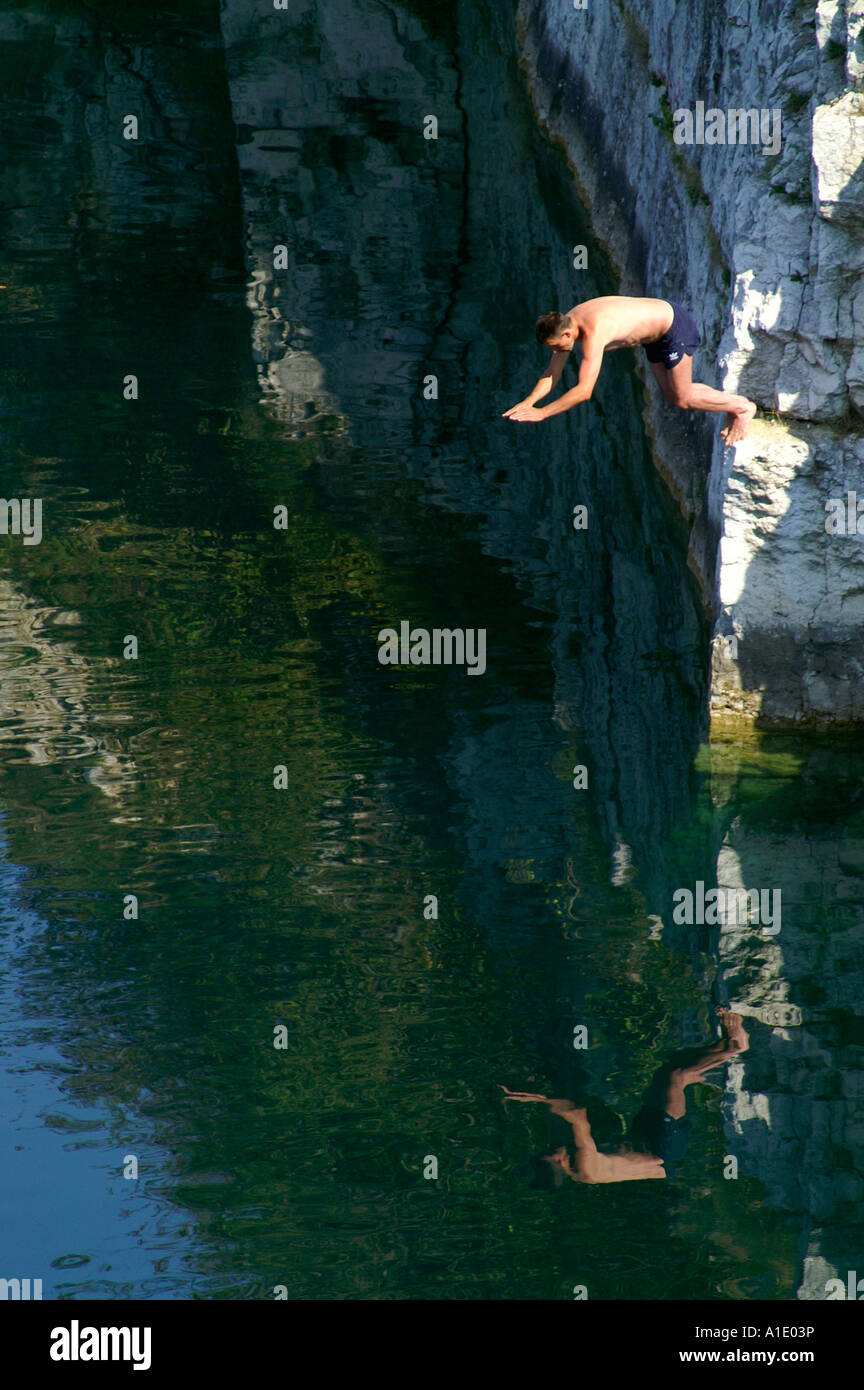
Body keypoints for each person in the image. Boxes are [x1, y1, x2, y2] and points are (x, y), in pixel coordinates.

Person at [500, 1008, 749, 1184]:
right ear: (559, 1165)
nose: (551, 1148)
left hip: (643, 1135)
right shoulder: (583, 1167)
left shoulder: (563, 1152)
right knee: (675, 1076)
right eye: (551, 1154)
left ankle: (721, 1048)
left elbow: (562, 1109)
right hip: (663, 1146)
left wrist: (538, 1098)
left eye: (547, 1150)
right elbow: (578, 1115)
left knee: (666, 1072)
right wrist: (537, 1099)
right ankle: (735, 1046)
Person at [503, 295, 756, 444]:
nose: (555, 352)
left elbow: (584, 391)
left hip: (673, 329)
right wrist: (528, 403)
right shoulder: (566, 322)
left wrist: (542, 414)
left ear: (567, 334)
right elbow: (552, 373)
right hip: (653, 337)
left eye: (556, 346)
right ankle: (730, 405)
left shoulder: (593, 331)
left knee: (683, 397)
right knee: (673, 395)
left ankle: (742, 408)